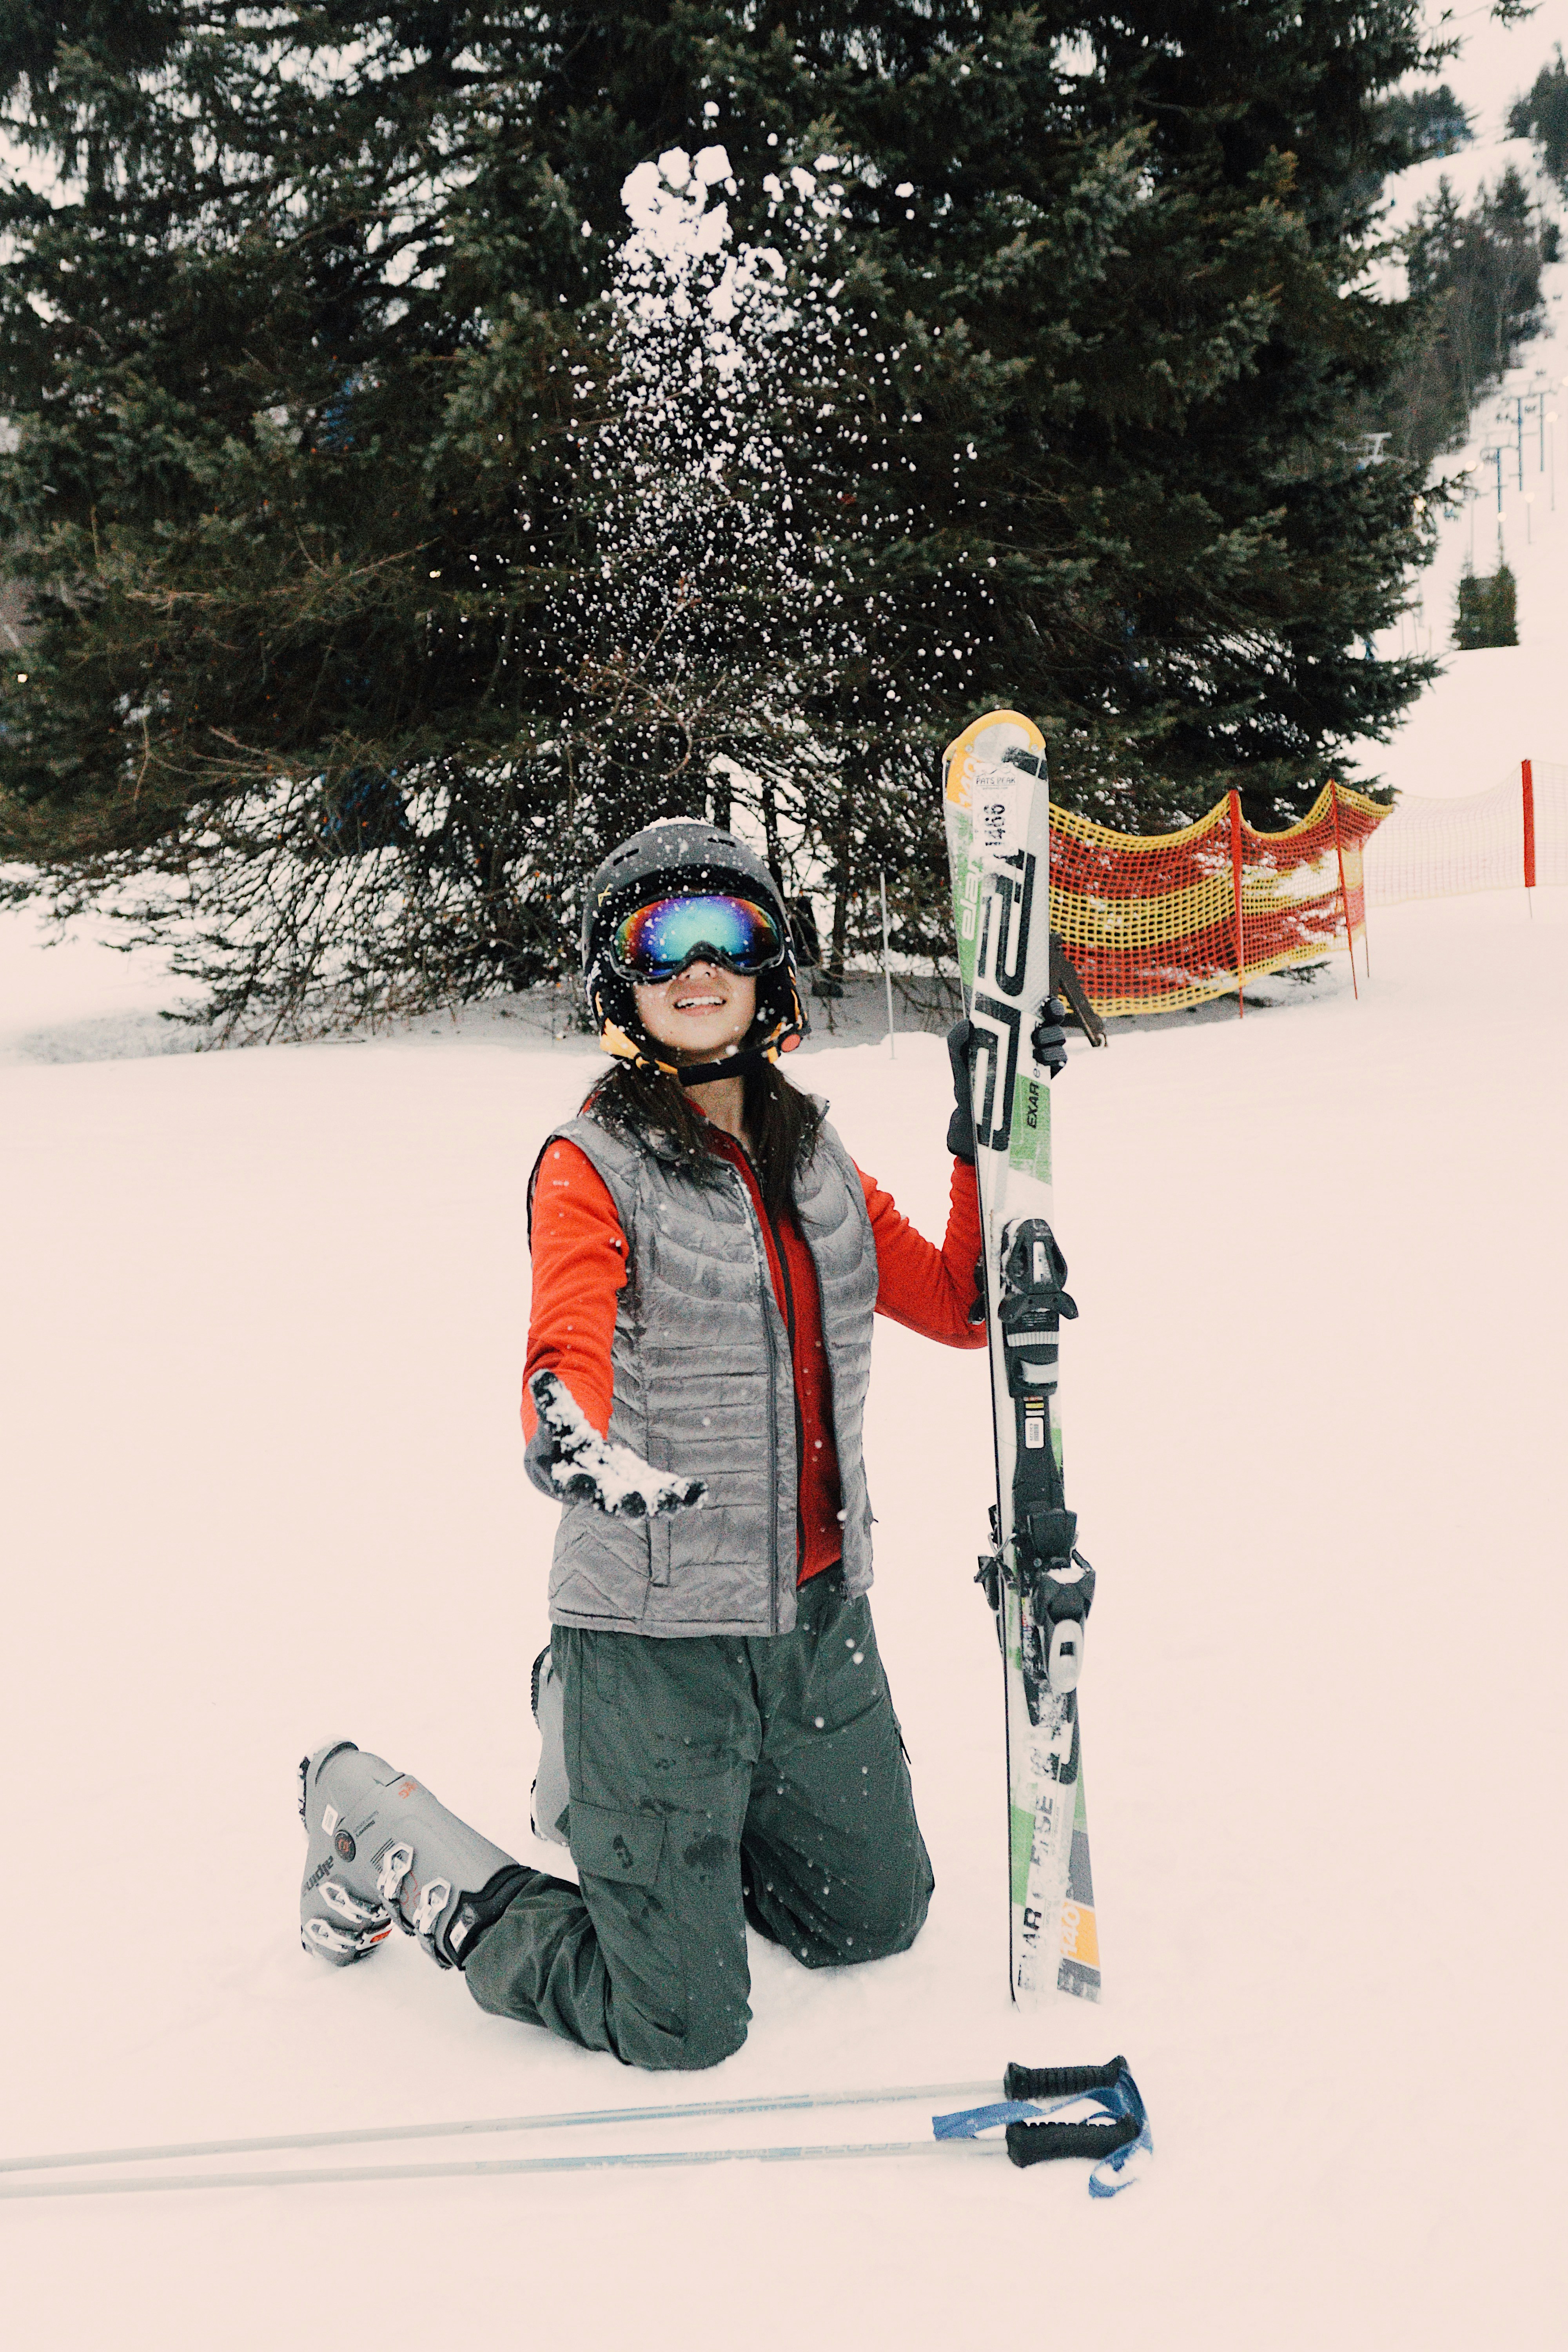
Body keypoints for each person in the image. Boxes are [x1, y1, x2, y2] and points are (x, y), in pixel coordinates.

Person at [297, 818, 1066, 2071]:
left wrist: (985, 1134)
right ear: (622, 980)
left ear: (770, 965)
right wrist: (568, 1427)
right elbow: (567, 1336)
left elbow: (958, 1304)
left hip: (816, 1624)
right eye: (663, 940)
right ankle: (391, 1834)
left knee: (872, 1920)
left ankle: (640, 1795)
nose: (700, 967)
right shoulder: (591, 1165)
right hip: (655, 1639)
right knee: (681, 2022)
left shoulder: (814, 1155)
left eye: (728, 932)